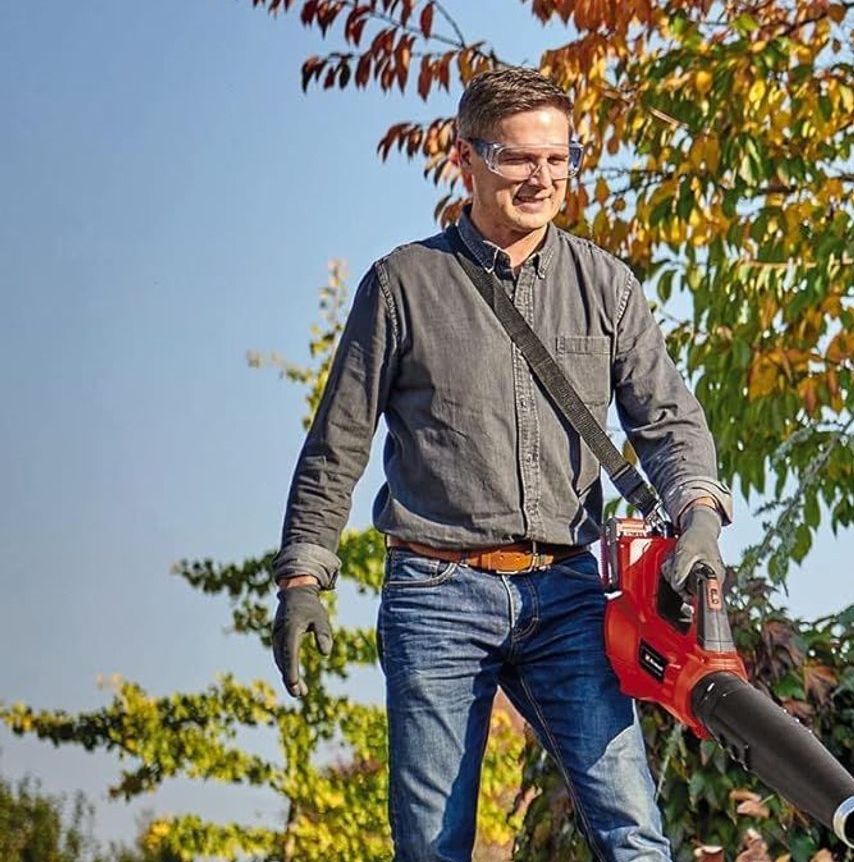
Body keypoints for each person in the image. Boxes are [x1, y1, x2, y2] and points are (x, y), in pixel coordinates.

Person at [269, 65, 730, 861]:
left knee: (635, 835)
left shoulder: (606, 284)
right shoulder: (401, 285)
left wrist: (698, 515)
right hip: (437, 593)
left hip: (569, 594)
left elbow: (668, 421)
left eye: (560, 159)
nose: (542, 178)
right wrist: (304, 577)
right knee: (433, 844)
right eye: (518, 158)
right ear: (466, 160)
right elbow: (336, 447)